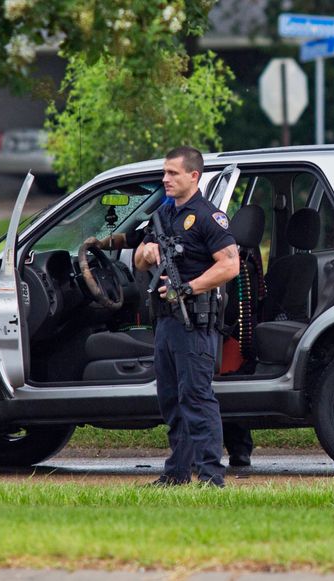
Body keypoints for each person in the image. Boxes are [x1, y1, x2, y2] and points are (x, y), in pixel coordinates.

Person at [134, 146, 240, 487]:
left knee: (196, 398)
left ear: (194, 176)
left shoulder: (208, 216)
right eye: (164, 172)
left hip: (194, 321)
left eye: (173, 173)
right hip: (166, 321)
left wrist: (188, 288)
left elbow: (230, 265)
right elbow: (138, 260)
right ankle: (177, 473)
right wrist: (147, 251)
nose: (165, 179)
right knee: (170, 399)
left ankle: (211, 477)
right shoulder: (164, 214)